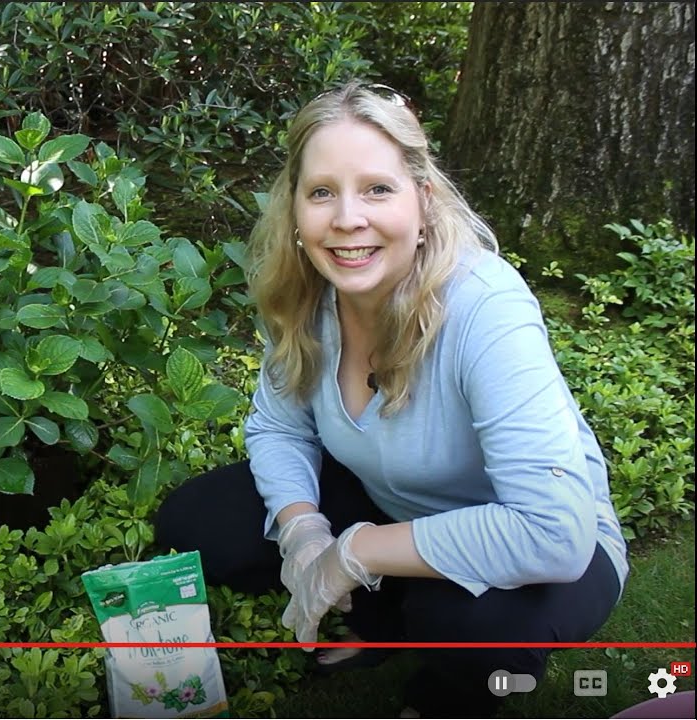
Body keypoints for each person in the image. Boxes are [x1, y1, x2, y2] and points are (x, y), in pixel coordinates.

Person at [153, 82, 629, 718]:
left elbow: (553, 534)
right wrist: (304, 533)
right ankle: (386, 617)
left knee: (468, 629)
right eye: (322, 192)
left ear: (424, 199)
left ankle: (443, 693)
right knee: (197, 522)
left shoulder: (486, 307)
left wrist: (353, 552)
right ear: (294, 208)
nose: (347, 219)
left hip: (546, 544)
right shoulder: (310, 297)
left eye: (377, 188)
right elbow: (277, 429)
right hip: (396, 505)